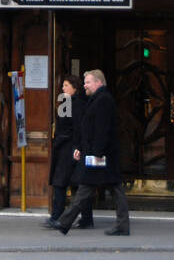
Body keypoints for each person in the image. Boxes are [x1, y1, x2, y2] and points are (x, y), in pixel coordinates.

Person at [55, 69, 128, 236]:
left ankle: (65, 222)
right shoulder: (97, 99)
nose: (85, 85)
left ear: (98, 83)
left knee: (89, 187)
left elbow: (101, 130)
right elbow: (88, 129)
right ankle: (65, 222)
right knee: (107, 187)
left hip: (101, 155)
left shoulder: (103, 100)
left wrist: (96, 153)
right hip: (101, 154)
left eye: (88, 82)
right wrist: (81, 148)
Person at [42, 75, 93, 229]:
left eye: (66, 85)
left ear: (74, 88)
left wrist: (77, 147)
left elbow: (78, 127)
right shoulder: (70, 103)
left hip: (68, 147)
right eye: (63, 86)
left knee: (61, 182)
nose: (63, 88)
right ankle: (85, 218)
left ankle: (58, 215)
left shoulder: (75, 104)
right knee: (75, 183)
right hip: (66, 146)